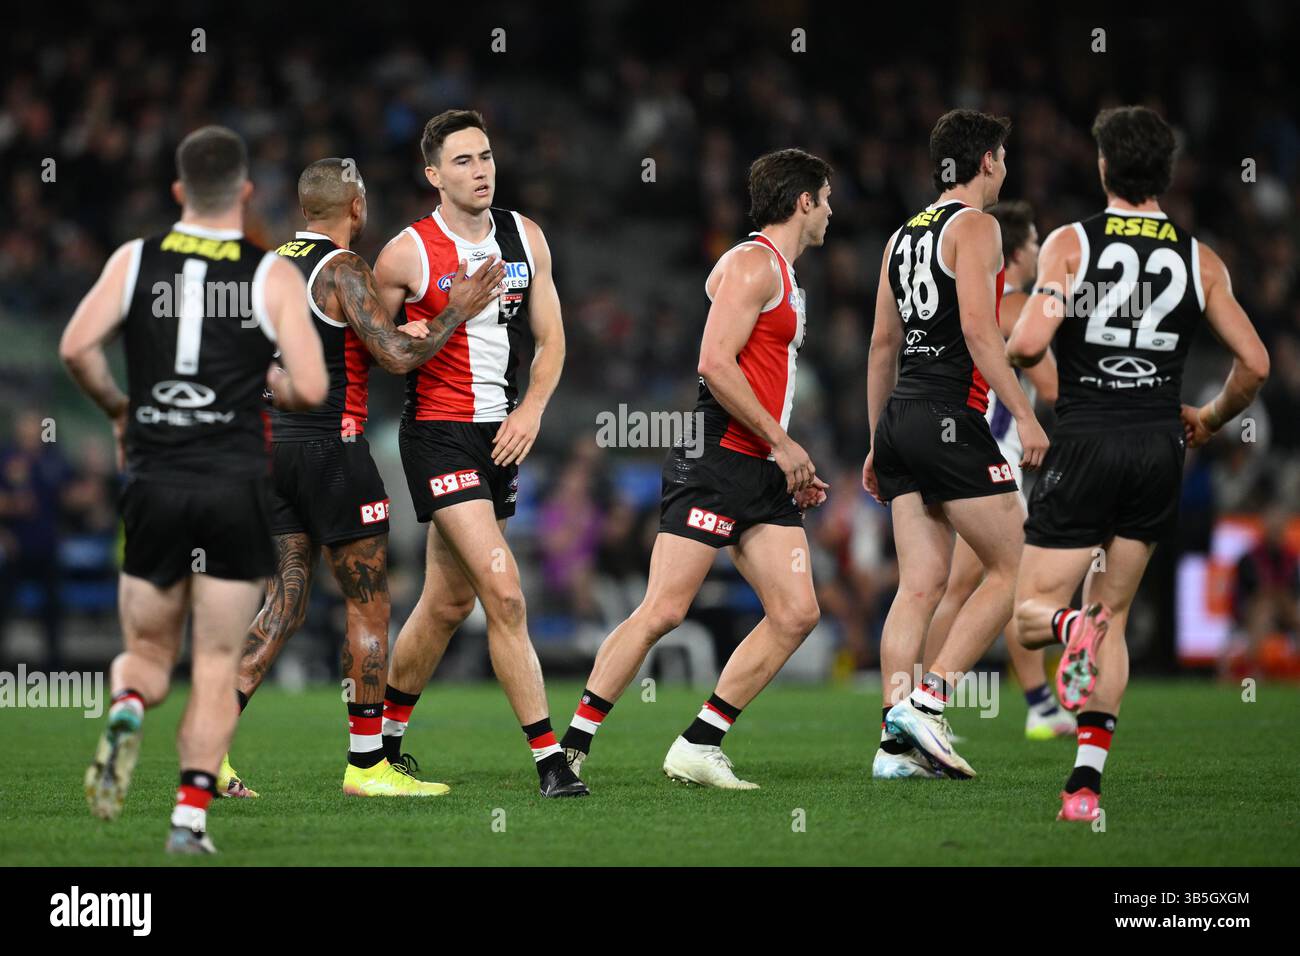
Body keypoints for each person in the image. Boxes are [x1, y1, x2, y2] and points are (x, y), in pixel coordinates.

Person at [63, 126, 327, 852]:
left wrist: (121, 409)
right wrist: (264, 381)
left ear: (178, 192)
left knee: (146, 656)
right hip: (233, 488)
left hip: (153, 481)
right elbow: (311, 384)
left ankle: (124, 706)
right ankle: (188, 819)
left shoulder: (132, 260)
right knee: (214, 663)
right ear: (245, 195)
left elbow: (74, 348)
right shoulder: (268, 274)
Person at [1007, 106, 1270, 821]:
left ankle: (1072, 634)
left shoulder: (1070, 244)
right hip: (1159, 447)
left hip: (1087, 439)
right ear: (1167, 175)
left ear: (1102, 167)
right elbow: (1255, 364)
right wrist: (1209, 419)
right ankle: (1084, 788)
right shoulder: (1199, 258)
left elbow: (1028, 345)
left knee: (1035, 615)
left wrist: (1034, 331)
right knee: (1113, 613)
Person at [221, 158, 504, 798]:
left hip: (270, 449)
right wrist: (452, 311)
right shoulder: (344, 269)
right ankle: (367, 765)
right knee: (368, 603)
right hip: (333, 449)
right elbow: (398, 357)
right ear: (355, 206)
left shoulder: (266, 266)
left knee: (284, 603)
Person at [558, 148, 832, 790]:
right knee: (663, 610)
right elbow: (713, 362)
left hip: (763, 468)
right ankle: (568, 750)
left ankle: (699, 743)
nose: (831, 212)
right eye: (826, 198)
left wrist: (785, 456)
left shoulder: (779, 273)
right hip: (714, 457)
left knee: (796, 613)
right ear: (803, 203)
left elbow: (760, 368)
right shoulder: (751, 263)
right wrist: (784, 443)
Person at [370, 109, 582, 797]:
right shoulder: (406, 254)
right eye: (462, 161)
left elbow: (551, 341)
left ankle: (382, 744)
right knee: (506, 590)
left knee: (445, 603)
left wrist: (531, 410)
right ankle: (552, 762)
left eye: (485, 156)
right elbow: (389, 357)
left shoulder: (526, 236)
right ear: (433, 175)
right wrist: (453, 310)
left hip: (501, 435)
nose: (480, 169)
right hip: (437, 435)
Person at [863, 110, 1048, 780]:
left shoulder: (899, 236)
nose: (1007, 168)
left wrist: (875, 438)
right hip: (949, 413)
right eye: (1005, 156)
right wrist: (1024, 416)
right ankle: (930, 700)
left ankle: (892, 748)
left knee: (919, 587)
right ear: (989, 159)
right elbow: (978, 329)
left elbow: (882, 346)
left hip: (903, 419)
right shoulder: (977, 228)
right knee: (1017, 565)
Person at [920, 200, 1074, 741]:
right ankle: (921, 706)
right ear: (1015, 251)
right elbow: (1054, 390)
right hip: (987, 458)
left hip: (955, 447)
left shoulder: (987, 306)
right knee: (983, 583)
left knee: (976, 584)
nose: (1038, 250)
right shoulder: (1012, 306)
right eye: (1033, 241)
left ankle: (1036, 704)